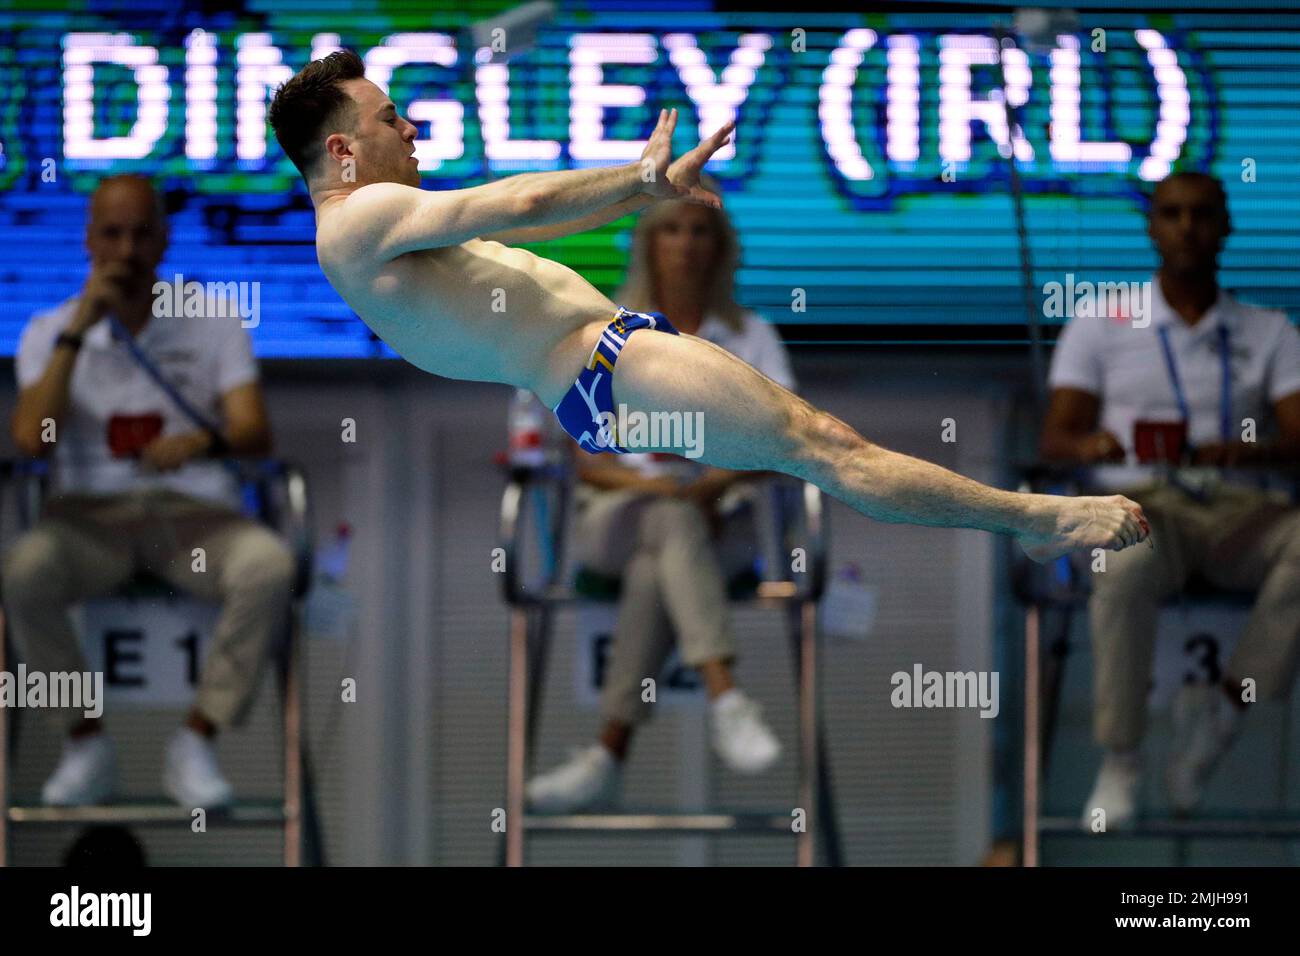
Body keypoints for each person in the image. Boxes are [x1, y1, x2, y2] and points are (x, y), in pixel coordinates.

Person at [268, 51, 1149, 577]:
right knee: (827, 449)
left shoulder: (374, 233)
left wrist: (629, 195)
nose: (411, 128)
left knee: (822, 446)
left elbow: (547, 212)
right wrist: (637, 181)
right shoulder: (355, 221)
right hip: (604, 368)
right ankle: (1037, 522)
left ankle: (1030, 522)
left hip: (608, 365)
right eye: (391, 118)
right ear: (342, 150)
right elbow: (516, 201)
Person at [2, 175, 296, 809]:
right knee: (23, 571)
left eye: (142, 233)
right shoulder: (48, 330)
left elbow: (254, 432)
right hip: (87, 521)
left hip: (194, 517)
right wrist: (80, 329)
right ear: (88, 241)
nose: (127, 250)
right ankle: (84, 742)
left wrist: (201, 443)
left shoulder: (210, 319)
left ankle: (196, 739)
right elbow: (32, 441)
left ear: (165, 241)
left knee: (269, 565)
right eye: (112, 233)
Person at [1040, 171, 1300, 828]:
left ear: (1226, 227)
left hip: (1239, 508)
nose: (1188, 227)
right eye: (1174, 214)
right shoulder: (1102, 323)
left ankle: (1226, 711)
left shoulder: (1269, 330)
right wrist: (1093, 445)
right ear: (1152, 226)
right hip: (1142, 505)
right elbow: (1055, 438)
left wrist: (1252, 450)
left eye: (1203, 215)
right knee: (1120, 567)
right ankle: (1121, 757)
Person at [527, 182, 794, 812]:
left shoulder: (752, 337)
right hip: (619, 513)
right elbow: (584, 457)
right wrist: (651, 484)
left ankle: (607, 756)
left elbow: (786, 439)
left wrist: (717, 479)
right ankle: (725, 695)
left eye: (701, 232)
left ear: (721, 247)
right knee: (667, 519)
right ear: (649, 243)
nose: (686, 245)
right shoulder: (607, 331)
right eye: (672, 230)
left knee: (660, 564)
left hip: (719, 520)